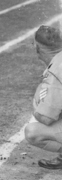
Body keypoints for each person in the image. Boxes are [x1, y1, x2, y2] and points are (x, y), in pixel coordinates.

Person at [24, 25, 62, 170]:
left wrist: (36, 104)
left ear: (37, 47)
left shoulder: (56, 70)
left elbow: (46, 117)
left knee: (33, 132)